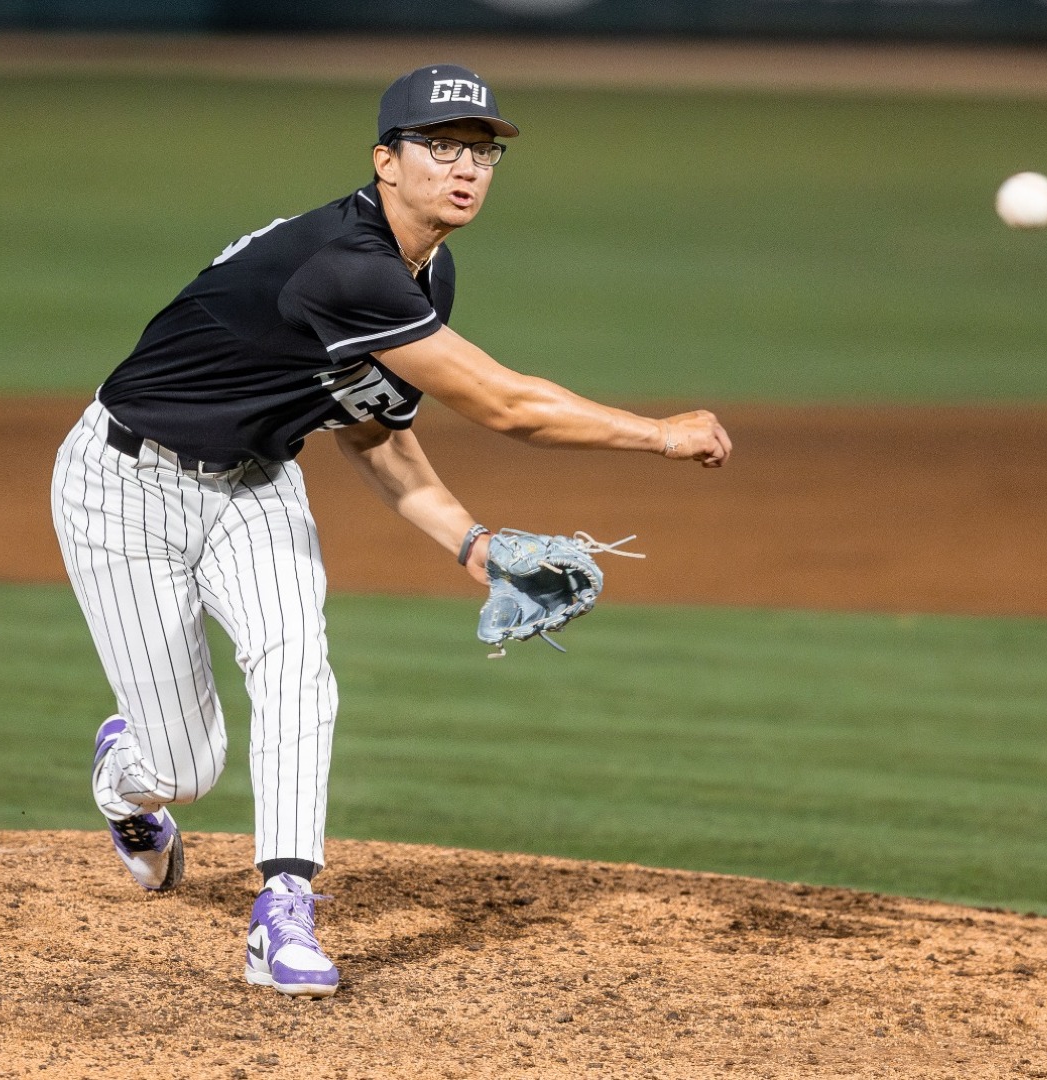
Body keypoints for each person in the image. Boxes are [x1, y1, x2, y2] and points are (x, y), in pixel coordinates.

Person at [49, 63, 730, 998]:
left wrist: (475, 545)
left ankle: (281, 912)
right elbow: (505, 406)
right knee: (185, 764)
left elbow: (370, 430)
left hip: (256, 484)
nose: (466, 168)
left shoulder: (425, 271)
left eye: (482, 151)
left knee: (298, 670)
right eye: (440, 146)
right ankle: (127, 781)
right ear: (385, 160)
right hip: (123, 487)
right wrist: (659, 434)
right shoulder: (347, 266)